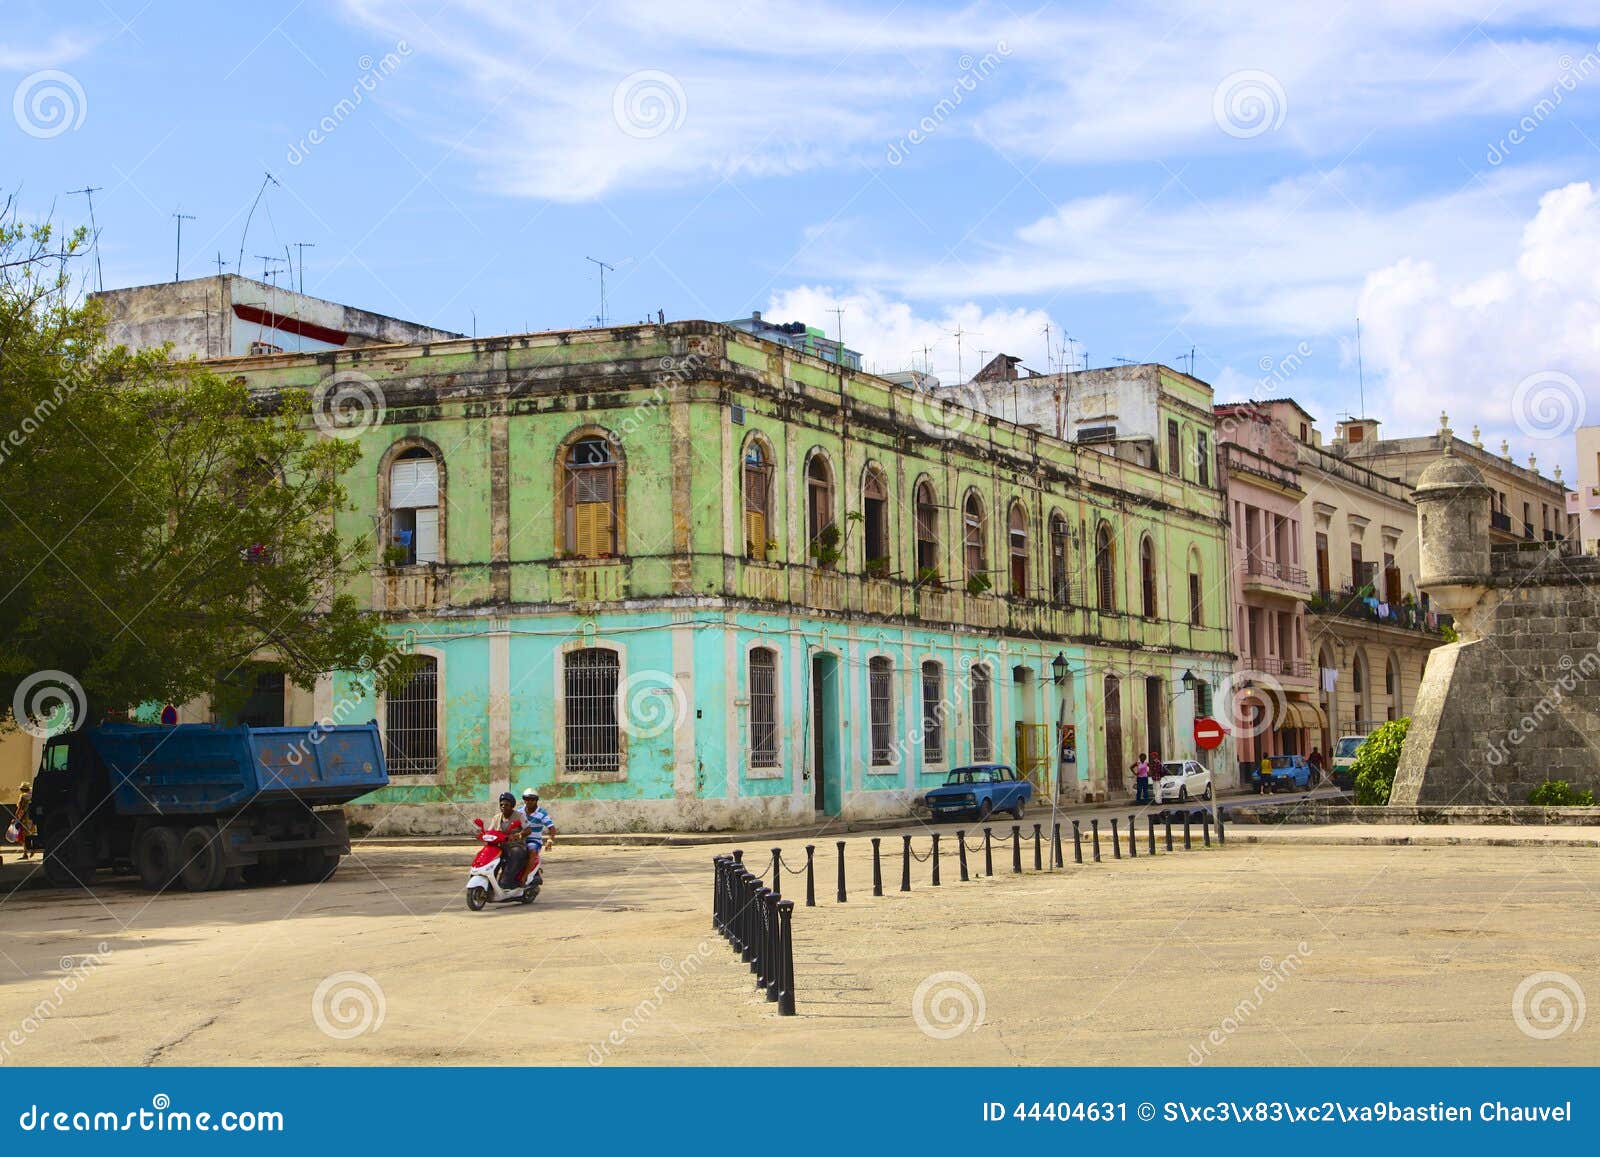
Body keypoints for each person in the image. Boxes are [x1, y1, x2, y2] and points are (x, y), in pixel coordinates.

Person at [484, 792, 527, 886]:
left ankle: (508, 881)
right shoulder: (496, 818)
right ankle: (489, 882)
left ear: (512, 806)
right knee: (487, 855)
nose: (503, 806)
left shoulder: (519, 816)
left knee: (515, 853)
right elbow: (490, 831)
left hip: (516, 846)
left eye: (506, 804)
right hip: (500, 846)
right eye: (501, 805)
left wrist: (518, 835)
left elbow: (528, 830)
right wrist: (482, 834)